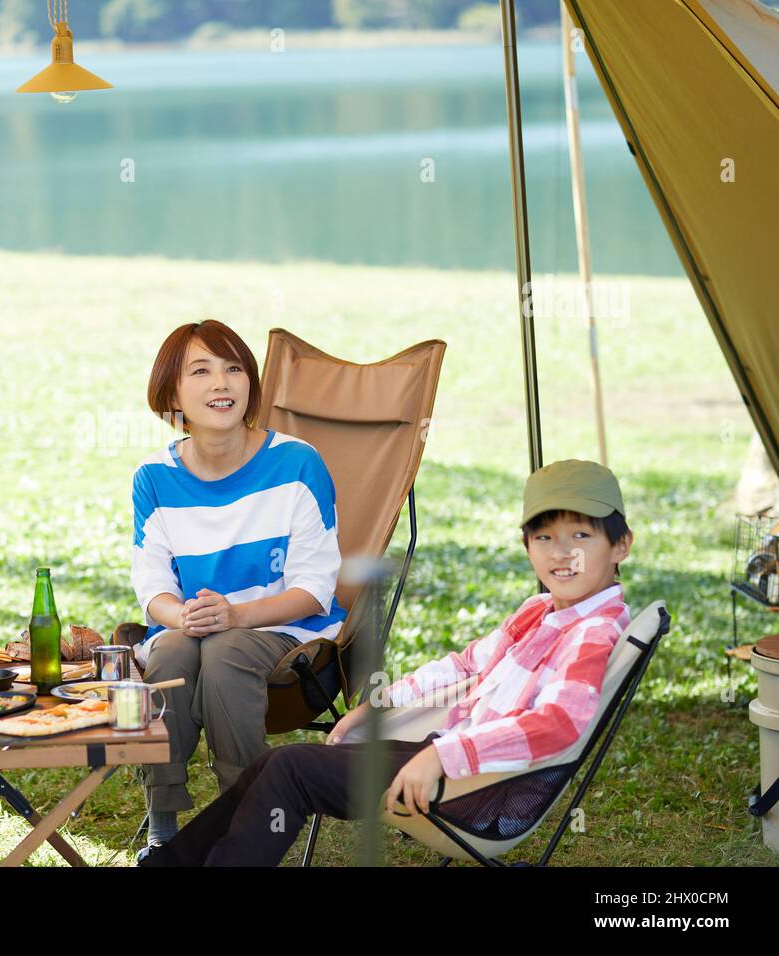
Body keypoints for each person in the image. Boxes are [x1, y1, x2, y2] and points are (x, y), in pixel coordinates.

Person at [140, 458, 634, 866]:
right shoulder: (540, 610)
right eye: (544, 538)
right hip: (444, 756)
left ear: (621, 546)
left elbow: (559, 723)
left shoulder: (592, 631)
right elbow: (464, 666)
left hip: (479, 787)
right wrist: (380, 704)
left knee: (289, 769)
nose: (562, 555)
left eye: (582, 537)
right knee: (276, 762)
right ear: (527, 546)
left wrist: (441, 758)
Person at [131, 319, 347, 851]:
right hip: (196, 626)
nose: (220, 384)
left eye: (233, 369)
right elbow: (153, 583)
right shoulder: (154, 478)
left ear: (251, 383)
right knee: (171, 655)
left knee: (224, 650)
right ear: (173, 392)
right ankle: (163, 826)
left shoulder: (297, 463)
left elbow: (315, 588)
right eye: (200, 371)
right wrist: (180, 617)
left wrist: (235, 616)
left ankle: (247, 818)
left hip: (288, 633)